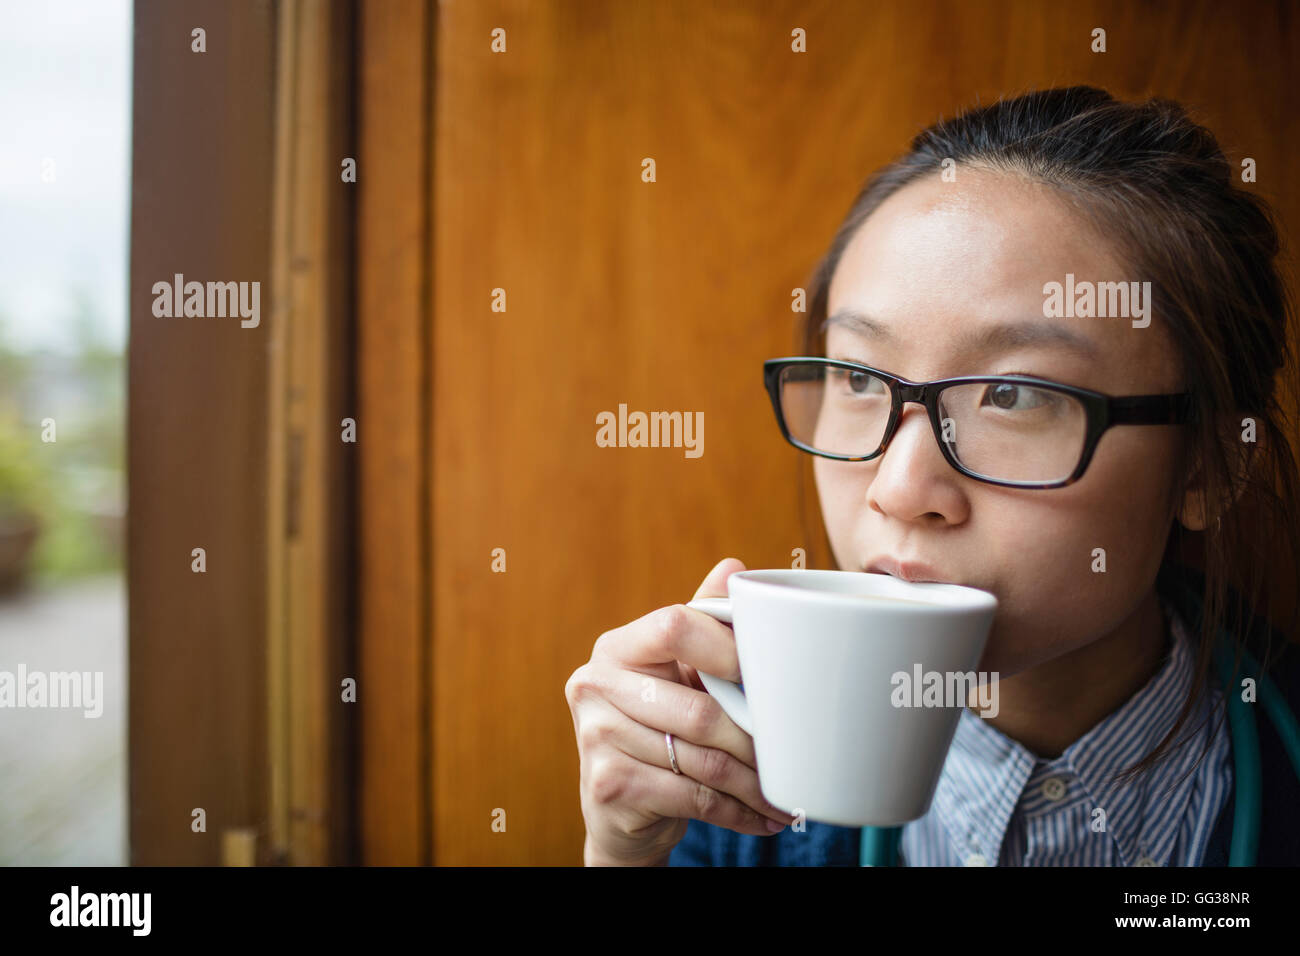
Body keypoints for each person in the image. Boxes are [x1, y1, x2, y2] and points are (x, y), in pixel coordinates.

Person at [564, 86, 1300, 866]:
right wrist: (621, 854)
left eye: (1013, 394)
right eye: (857, 379)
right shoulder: (723, 801)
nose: (901, 489)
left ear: (1208, 466)